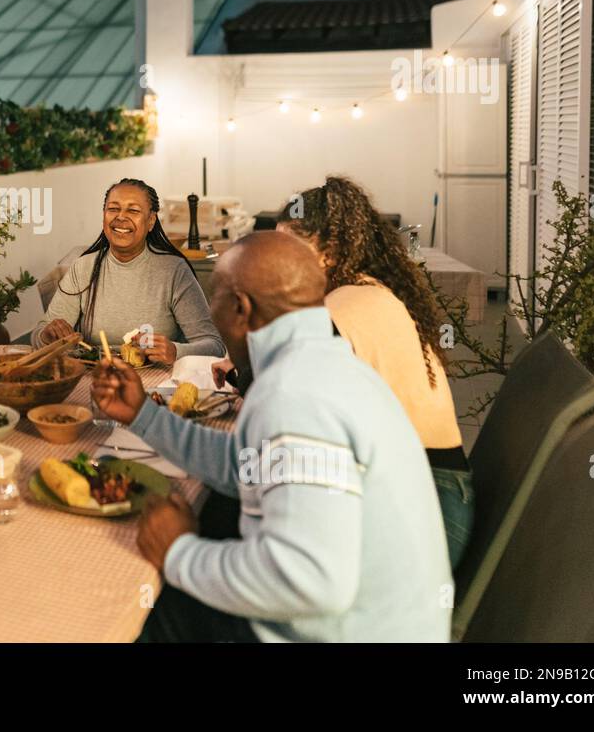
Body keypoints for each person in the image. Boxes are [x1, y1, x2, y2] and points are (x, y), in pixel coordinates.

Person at [91, 231, 451, 642]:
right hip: (385, 623)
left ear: (241, 308)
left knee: (131, 614)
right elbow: (247, 462)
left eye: (216, 301)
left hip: (344, 631)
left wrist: (178, 552)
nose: (213, 314)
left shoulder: (293, 393)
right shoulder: (329, 364)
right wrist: (144, 415)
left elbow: (311, 580)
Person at [276, 176, 473, 570]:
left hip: (428, 508)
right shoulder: (369, 291)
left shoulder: (345, 307)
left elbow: (285, 395)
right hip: (435, 490)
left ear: (328, 252)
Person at [31, 178, 224, 363]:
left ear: (150, 221)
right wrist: (48, 335)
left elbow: (214, 345)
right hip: (97, 378)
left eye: (133, 210)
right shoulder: (83, 267)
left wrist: (176, 351)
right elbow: (38, 335)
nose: (121, 217)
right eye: (113, 209)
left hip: (158, 386)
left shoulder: (173, 271)